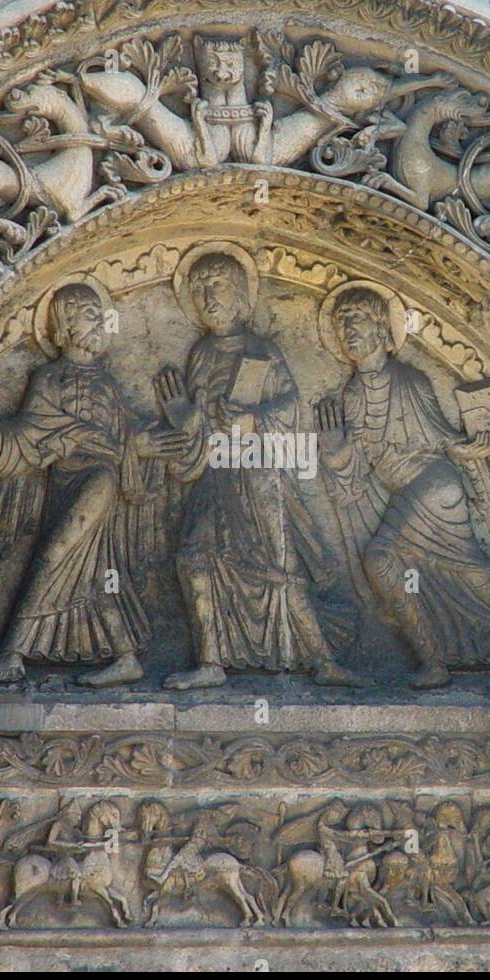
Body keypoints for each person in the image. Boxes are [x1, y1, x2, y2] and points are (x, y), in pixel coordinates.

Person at [0, 279, 187, 686]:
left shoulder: (107, 384)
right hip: (61, 483)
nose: (101, 323)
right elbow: (27, 435)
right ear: (65, 326)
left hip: (100, 478)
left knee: (54, 555)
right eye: (91, 316)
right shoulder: (49, 379)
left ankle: (12, 655)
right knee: (93, 570)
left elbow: (123, 433)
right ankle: (126, 656)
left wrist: (148, 443)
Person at [316, 283, 490, 688]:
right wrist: (332, 452)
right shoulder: (351, 392)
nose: (347, 328)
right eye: (340, 321)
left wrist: (475, 448)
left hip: (433, 485)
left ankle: (438, 662)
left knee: (382, 558)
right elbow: (355, 470)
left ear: (382, 328)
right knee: (465, 569)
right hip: (409, 492)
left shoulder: (409, 379)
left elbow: (440, 438)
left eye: (356, 319)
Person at [155, 242, 363, 690]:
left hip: (259, 469)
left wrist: (252, 418)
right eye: (201, 290)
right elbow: (198, 432)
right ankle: (211, 661)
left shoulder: (261, 349)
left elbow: (291, 406)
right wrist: (185, 417)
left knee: (280, 564)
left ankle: (322, 660)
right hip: (216, 473)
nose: (210, 298)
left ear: (244, 296)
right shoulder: (201, 354)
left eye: (220, 287)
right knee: (195, 557)